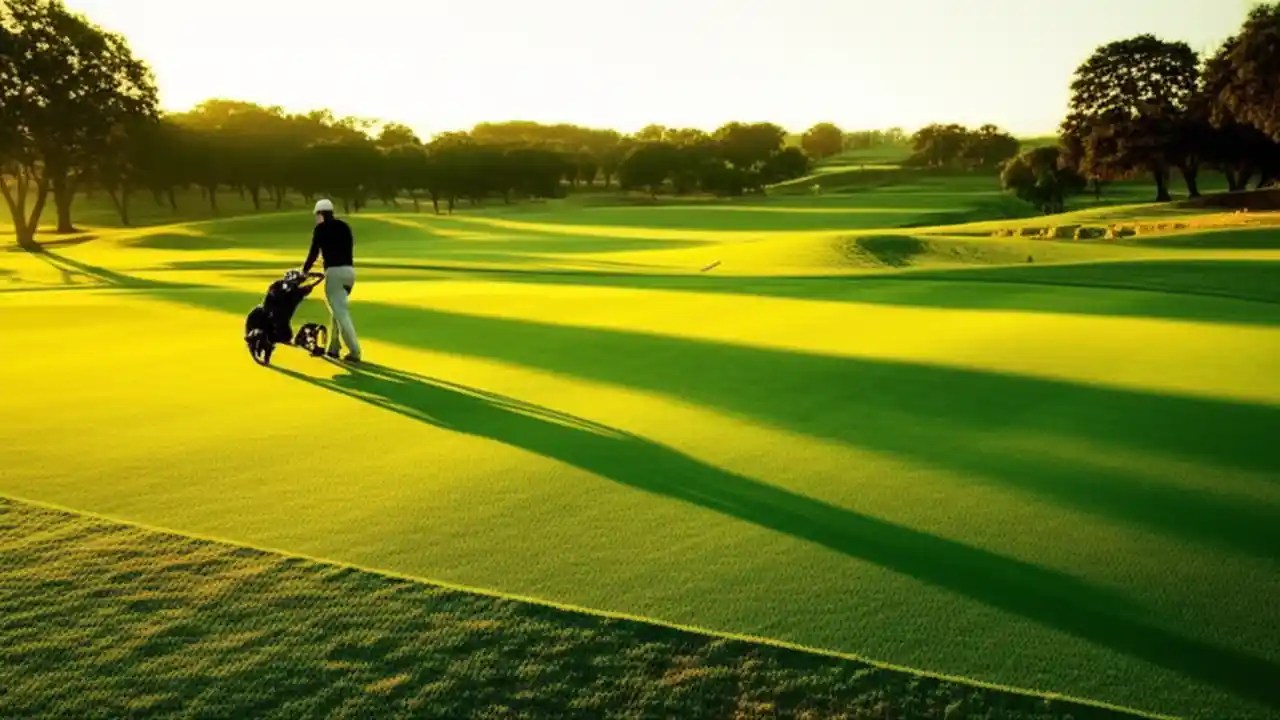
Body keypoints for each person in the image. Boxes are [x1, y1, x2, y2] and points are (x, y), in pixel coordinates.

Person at [302, 199, 362, 362]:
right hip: (349, 273)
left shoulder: (320, 229)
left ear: (320, 214)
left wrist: (304, 271)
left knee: (341, 314)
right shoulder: (344, 226)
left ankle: (355, 351)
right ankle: (333, 348)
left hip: (334, 273)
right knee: (336, 311)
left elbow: (313, 253)